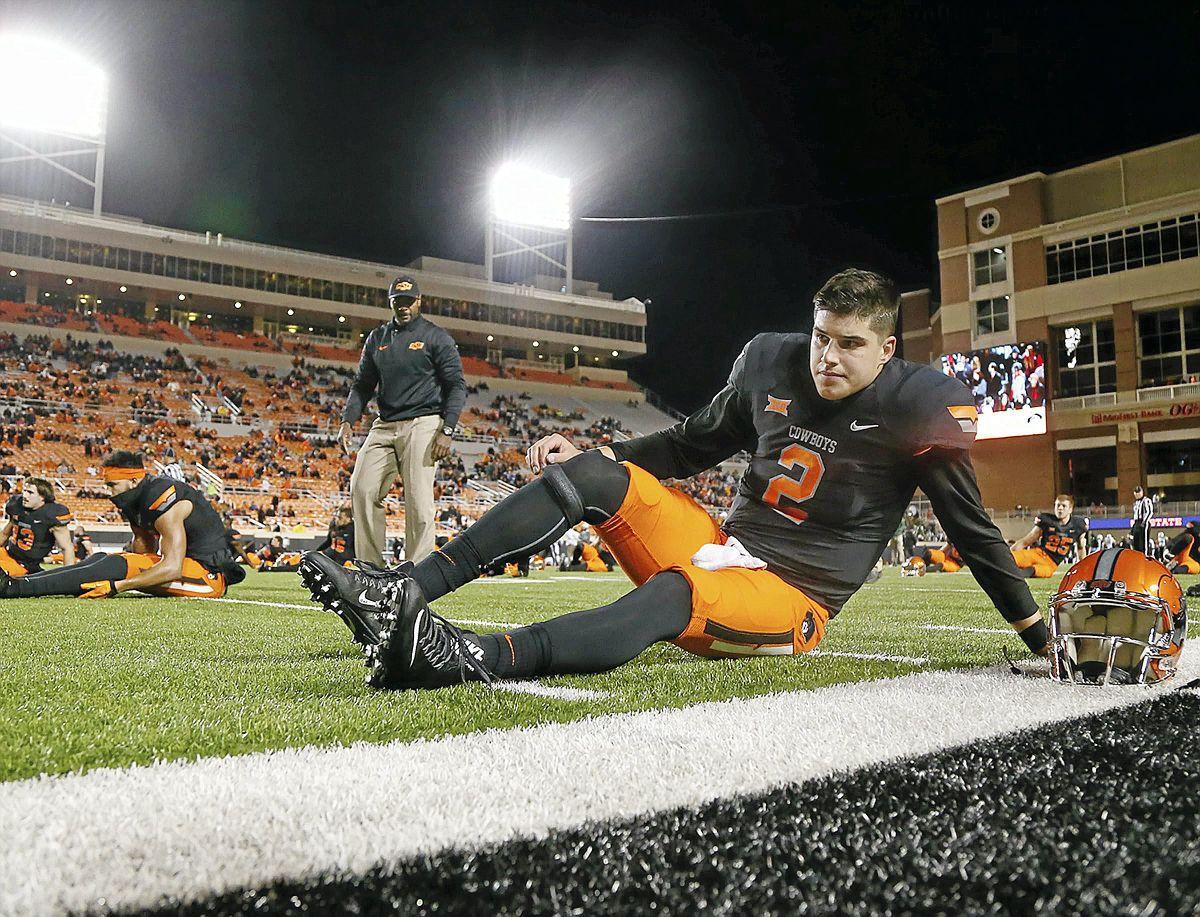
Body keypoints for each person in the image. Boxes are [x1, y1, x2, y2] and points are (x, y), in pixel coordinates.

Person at [301, 268, 1047, 689]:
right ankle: (404, 591)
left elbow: (971, 527)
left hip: (794, 595)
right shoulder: (771, 360)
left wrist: (1035, 631)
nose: (829, 356)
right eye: (822, 336)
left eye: (851, 345)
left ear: (888, 346)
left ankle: (466, 658)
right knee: (599, 470)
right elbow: (692, 445)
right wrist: (592, 457)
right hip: (724, 541)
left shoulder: (918, 405)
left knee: (674, 593)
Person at [339, 275, 467, 566]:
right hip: (385, 423)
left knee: (419, 503)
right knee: (362, 487)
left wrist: (447, 429)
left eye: (409, 301)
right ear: (391, 303)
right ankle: (371, 568)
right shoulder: (378, 338)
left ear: (419, 301)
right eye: (398, 301)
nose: (404, 307)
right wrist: (348, 419)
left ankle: (418, 571)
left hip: (424, 422)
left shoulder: (436, 337)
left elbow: (457, 386)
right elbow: (362, 385)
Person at [0, 451, 245, 599]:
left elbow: (171, 567)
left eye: (111, 485)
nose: (107, 492)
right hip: (185, 567)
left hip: (208, 576)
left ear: (134, 480)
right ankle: (18, 582)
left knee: (114, 565)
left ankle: (13, 588)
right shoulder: (134, 498)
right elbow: (142, 549)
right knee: (103, 560)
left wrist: (118, 586)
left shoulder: (163, 496)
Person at [0, 478, 76, 575]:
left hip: (25, 565)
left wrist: (68, 576)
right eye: (25, 491)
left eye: (30, 492)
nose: (25, 495)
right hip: (7, 554)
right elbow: (5, 534)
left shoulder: (50, 514)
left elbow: (67, 548)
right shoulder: (17, 505)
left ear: (42, 497)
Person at [1010, 494, 1087, 578]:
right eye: (1058, 505)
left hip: (1051, 564)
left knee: (1037, 571)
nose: (1060, 508)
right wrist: (1008, 553)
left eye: (1064, 506)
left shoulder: (1078, 525)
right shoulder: (1047, 520)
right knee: (1009, 560)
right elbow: (1027, 541)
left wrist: (1083, 568)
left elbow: (1081, 547)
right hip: (1038, 553)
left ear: (1070, 510)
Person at [1130, 484, 1153, 555]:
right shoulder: (1136, 503)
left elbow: (1149, 512)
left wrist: (1144, 522)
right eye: (1136, 493)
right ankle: (1137, 555)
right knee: (1135, 541)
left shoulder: (1146, 500)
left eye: (1138, 492)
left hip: (1143, 522)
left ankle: (1145, 555)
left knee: (1143, 541)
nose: (1137, 494)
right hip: (1136, 522)